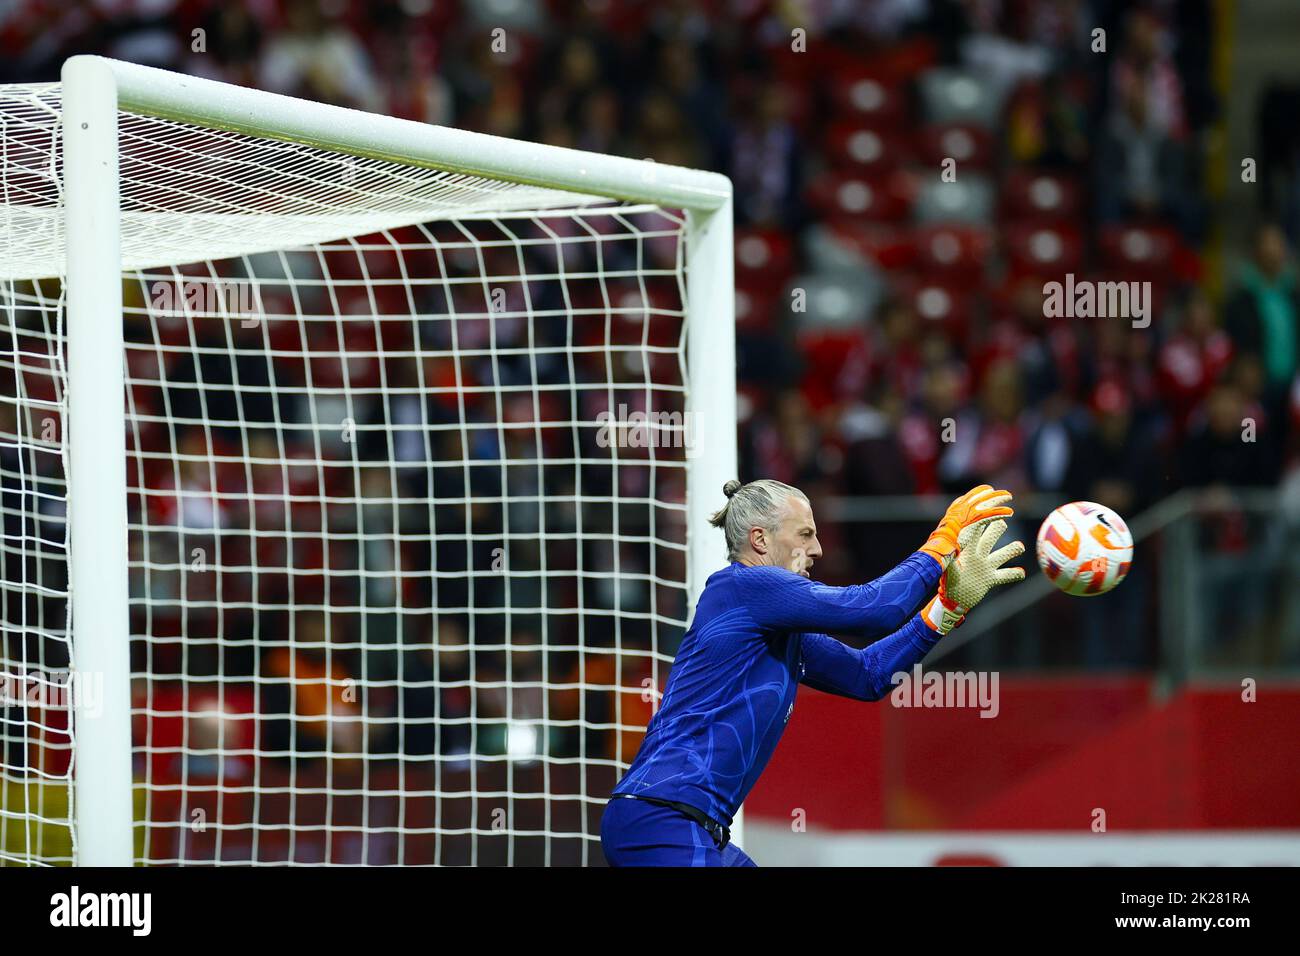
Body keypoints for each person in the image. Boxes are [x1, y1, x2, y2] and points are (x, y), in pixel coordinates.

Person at [599, 479, 1024, 866]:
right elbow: (874, 609)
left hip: (688, 827)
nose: (819, 549)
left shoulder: (778, 628)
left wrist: (947, 610)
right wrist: (943, 542)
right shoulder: (746, 587)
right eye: (805, 534)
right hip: (662, 819)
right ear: (760, 540)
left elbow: (868, 675)